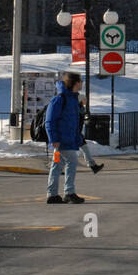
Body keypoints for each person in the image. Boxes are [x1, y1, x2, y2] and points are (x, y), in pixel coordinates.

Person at [44, 72, 85, 204]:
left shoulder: (72, 99)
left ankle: (53, 194)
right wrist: (53, 139)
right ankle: (69, 192)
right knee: (71, 163)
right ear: (75, 83)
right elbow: (49, 121)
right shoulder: (60, 99)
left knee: (56, 165)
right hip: (62, 142)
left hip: (65, 141)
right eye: (80, 81)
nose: (82, 83)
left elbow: (74, 122)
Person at [76, 91, 104, 174]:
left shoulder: (81, 109)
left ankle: (93, 166)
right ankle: (56, 166)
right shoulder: (76, 109)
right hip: (69, 134)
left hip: (76, 134)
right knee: (59, 153)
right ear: (80, 100)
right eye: (84, 99)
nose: (86, 101)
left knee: (84, 148)